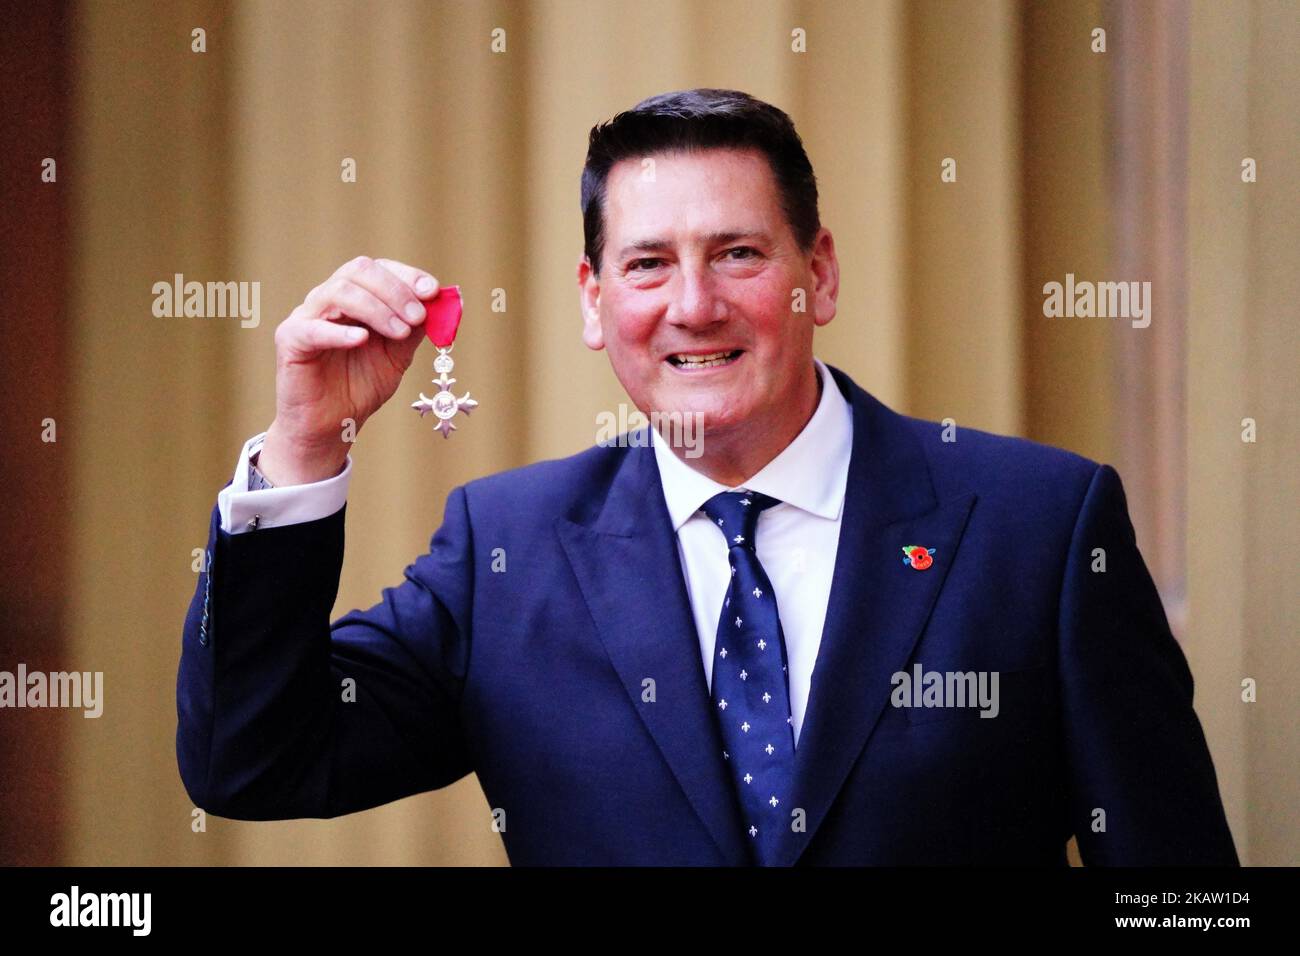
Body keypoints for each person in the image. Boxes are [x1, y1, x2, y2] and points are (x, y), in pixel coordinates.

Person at [176, 88, 1238, 866]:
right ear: (593, 302)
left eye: (737, 253)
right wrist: (306, 439)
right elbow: (253, 760)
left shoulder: (1040, 527)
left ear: (815, 273)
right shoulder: (506, 552)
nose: (692, 304)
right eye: (646, 263)